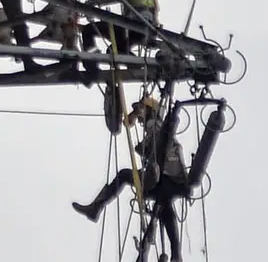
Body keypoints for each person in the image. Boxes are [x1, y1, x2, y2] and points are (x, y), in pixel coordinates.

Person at [72, 91, 189, 223]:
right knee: (161, 204)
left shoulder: (156, 125)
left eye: (142, 111)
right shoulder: (156, 127)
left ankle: (96, 207)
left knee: (124, 175)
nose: (140, 120)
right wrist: (134, 115)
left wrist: (138, 113)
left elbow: (150, 145)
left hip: (165, 178)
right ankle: (95, 208)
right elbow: (131, 126)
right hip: (168, 179)